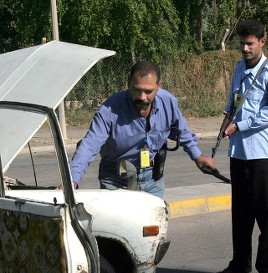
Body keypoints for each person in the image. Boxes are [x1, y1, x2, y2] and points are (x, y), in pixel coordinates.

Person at [69, 61, 216, 198]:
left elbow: (181, 131)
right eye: (137, 90)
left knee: (153, 224)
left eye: (148, 91)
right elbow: (89, 145)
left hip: (152, 178)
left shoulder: (168, 102)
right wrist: (72, 180)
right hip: (117, 180)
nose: (142, 97)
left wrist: (197, 156)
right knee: (119, 226)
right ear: (129, 84)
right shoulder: (110, 109)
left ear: (158, 86)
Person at [214, 19, 268, 273]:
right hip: (239, 152)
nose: (245, 48)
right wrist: (228, 113)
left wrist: (240, 125)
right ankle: (240, 263)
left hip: (262, 153)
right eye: (242, 43)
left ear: (262, 41)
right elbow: (236, 98)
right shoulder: (238, 68)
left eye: (250, 43)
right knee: (241, 212)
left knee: (266, 214)